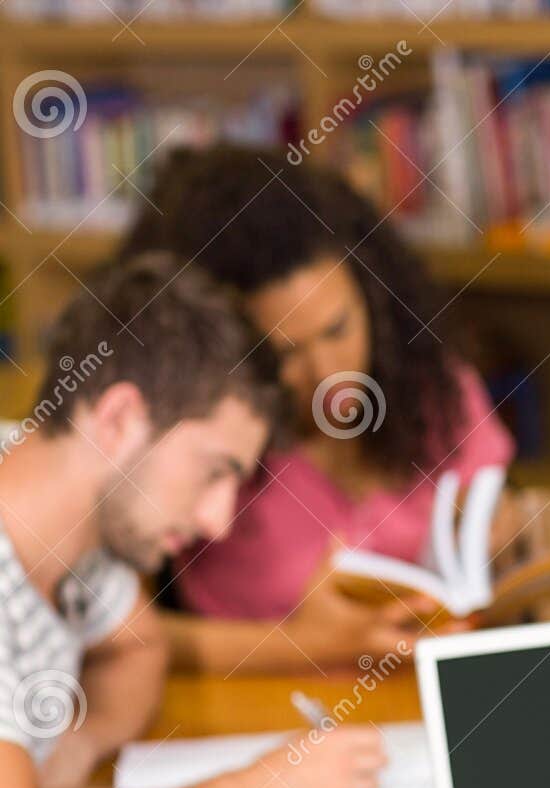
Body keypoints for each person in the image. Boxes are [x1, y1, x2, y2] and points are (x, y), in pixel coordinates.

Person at [0, 256, 386, 788]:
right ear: (117, 419)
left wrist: (73, 754)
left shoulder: (57, 503)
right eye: (214, 471)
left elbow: (137, 644)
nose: (216, 519)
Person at [116, 146, 519, 674]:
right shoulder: (196, 440)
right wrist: (312, 644)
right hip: (254, 716)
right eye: (284, 353)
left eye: (338, 329)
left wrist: (501, 538)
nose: (329, 375)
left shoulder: (430, 388)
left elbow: (497, 509)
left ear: (373, 298)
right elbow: (121, 634)